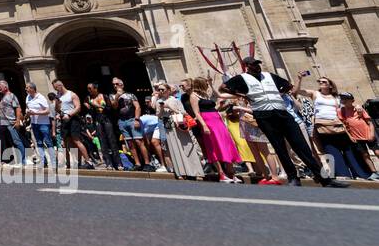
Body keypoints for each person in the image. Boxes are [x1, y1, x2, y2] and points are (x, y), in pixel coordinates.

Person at [221, 58, 347, 187]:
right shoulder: (242, 78)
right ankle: (293, 177)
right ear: (247, 66)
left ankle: (324, 179)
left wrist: (279, 93)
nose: (257, 67)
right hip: (264, 115)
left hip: (282, 113)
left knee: (301, 145)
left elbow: (288, 86)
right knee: (279, 147)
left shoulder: (269, 75)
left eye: (258, 64)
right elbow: (223, 87)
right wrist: (242, 94)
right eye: (253, 65)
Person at [160, 80, 206, 180]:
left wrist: (171, 108)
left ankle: (196, 171)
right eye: (159, 90)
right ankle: (181, 172)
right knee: (175, 149)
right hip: (168, 126)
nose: (161, 91)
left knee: (187, 147)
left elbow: (184, 113)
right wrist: (161, 109)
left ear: (168, 90)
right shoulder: (160, 102)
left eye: (162, 89)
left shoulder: (175, 100)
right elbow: (159, 116)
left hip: (180, 124)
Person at [109, 77, 149, 170]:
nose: (115, 86)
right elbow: (114, 107)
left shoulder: (130, 95)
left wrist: (136, 119)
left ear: (122, 85)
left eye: (117, 84)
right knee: (130, 143)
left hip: (132, 119)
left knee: (139, 141)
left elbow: (137, 107)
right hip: (122, 121)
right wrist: (117, 97)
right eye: (113, 84)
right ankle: (137, 163)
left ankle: (147, 163)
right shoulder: (112, 96)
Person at [52, 79, 92, 169]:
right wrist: (57, 105)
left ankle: (89, 162)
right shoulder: (58, 96)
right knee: (66, 142)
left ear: (60, 86)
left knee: (76, 140)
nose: (56, 90)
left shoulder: (71, 94)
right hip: (64, 120)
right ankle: (72, 163)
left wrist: (69, 114)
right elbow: (57, 110)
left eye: (56, 88)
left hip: (73, 119)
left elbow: (78, 107)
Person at [339, 94, 379, 180]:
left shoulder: (359, 109)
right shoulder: (341, 111)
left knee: (377, 152)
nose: (344, 100)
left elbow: (370, 122)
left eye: (346, 98)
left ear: (352, 100)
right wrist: (350, 137)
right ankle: (374, 173)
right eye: (342, 98)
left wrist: (372, 133)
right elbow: (344, 126)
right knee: (365, 155)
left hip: (368, 135)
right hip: (357, 138)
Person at [0, 80, 26, 166]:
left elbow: (18, 108)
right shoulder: (3, 96)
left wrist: (18, 121)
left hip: (11, 123)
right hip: (5, 124)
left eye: (0, 86)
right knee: (12, 142)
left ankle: (23, 161)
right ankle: (19, 160)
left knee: (17, 141)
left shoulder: (11, 96)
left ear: (5, 87)